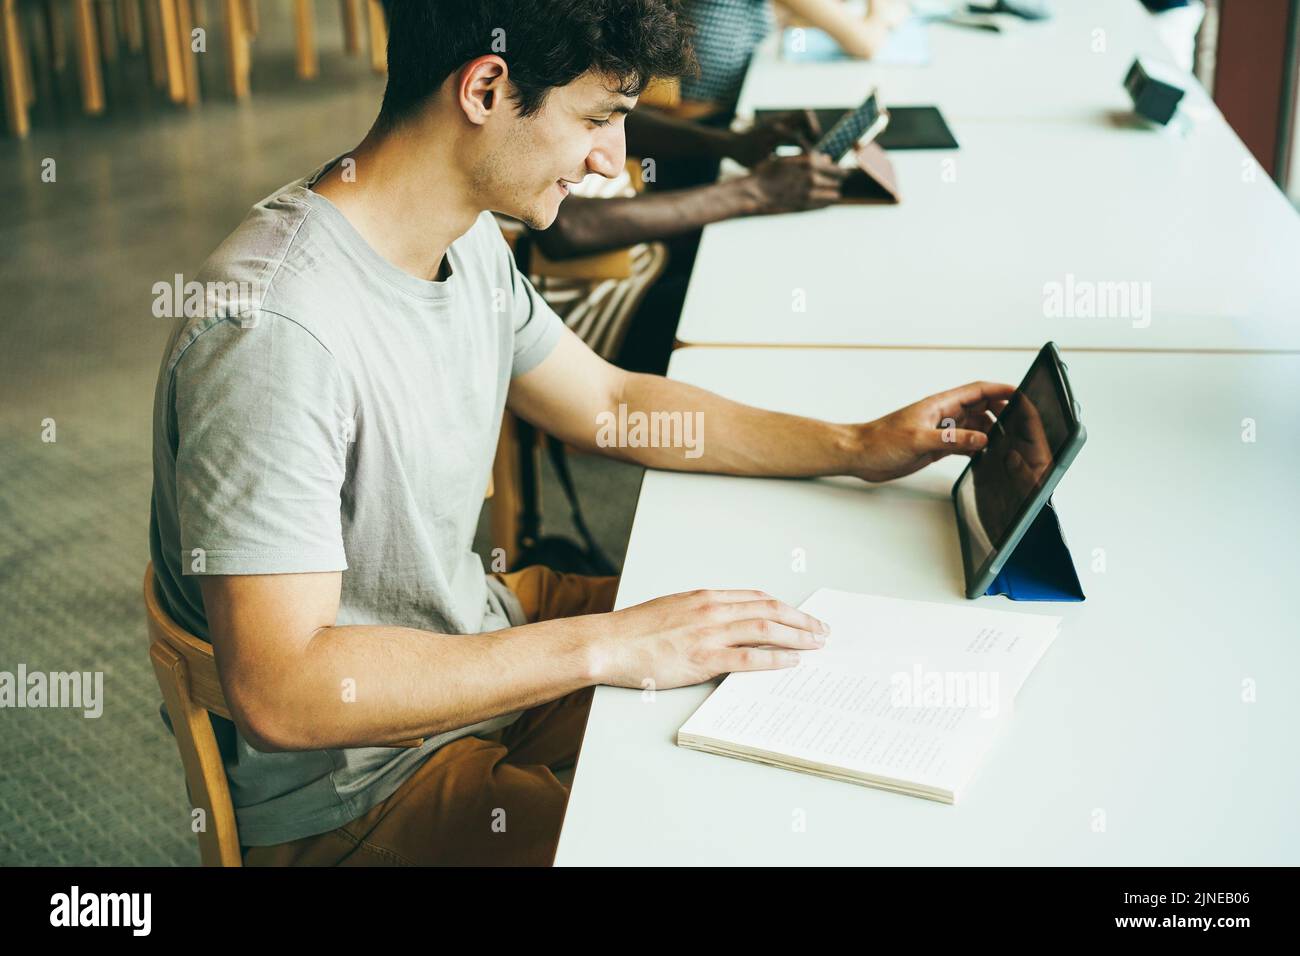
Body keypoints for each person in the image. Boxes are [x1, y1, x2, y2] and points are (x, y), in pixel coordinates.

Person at [149, 0, 1013, 866]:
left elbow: (613, 404)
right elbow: (283, 691)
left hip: (477, 640)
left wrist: (859, 447)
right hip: (354, 789)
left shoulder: (469, 238)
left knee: (799, 648)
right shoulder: (273, 332)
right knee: (691, 842)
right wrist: (605, 646)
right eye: (597, 120)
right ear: (486, 88)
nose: (613, 160)